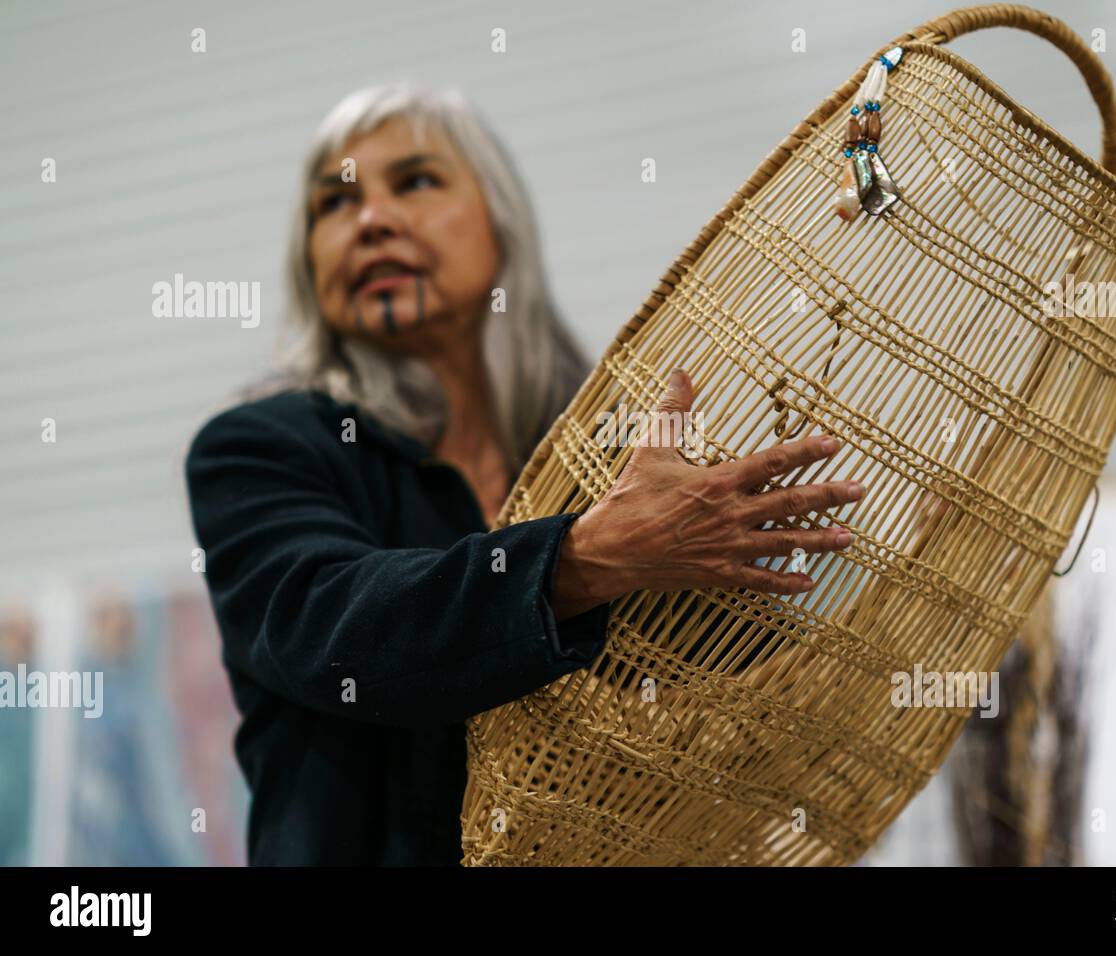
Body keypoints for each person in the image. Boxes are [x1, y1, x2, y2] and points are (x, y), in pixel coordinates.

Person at [184, 84, 862, 866]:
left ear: (502, 226)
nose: (370, 220)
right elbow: (336, 630)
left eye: (415, 182)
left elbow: (725, 684)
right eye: (333, 204)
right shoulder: (258, 448)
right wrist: (581, 561)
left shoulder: (607, 461)